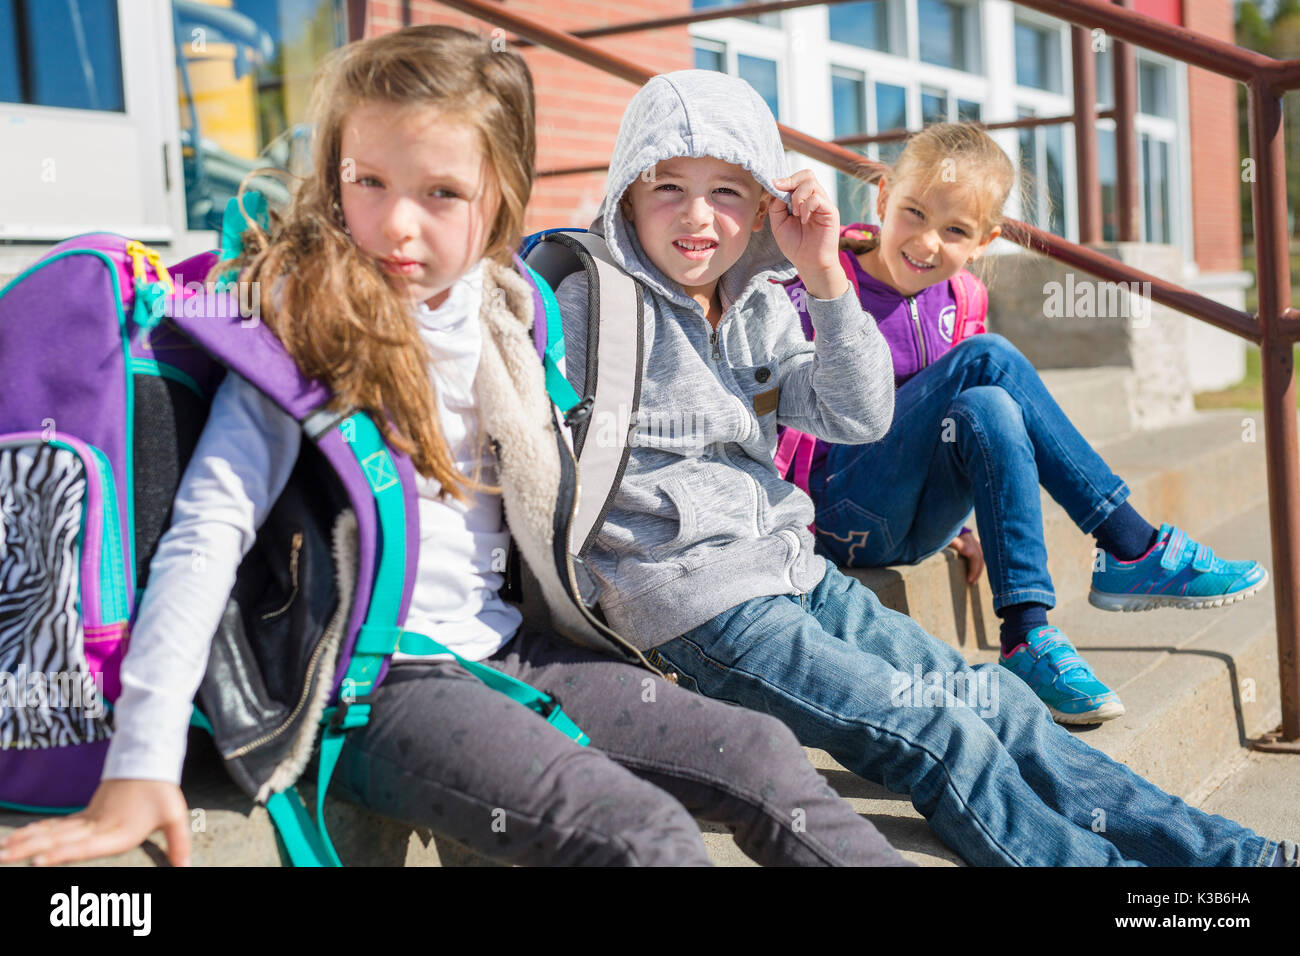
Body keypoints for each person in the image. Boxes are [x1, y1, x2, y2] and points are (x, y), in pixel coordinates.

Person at [0, 28, 907, 869]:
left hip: (512, 647)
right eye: (369, 183)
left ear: (498, 199)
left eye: (441, 193)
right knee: (644, 835)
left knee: (765, 755)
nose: (399, 225)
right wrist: (142, 763)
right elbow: (206, 536)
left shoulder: (516, 317)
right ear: (333, 177)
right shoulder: (298, 333)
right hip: (379, 679)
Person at [553, 69, 1295, 866]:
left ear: (764, 202)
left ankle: (1241, 862)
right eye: (669, 185)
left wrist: (824, 274)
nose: (701, 216)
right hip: (698, 604)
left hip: (794, 570)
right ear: (627, 191)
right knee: (936, 729)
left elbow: (858, 414)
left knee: (997, 701)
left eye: (729, 192)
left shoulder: (762, 297)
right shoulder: (588, 306)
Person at [782, 122, 1268, 724]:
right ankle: (1131, 543)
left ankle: (1026, 636)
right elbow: (777, 408)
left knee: (990, 405)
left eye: (955, 230)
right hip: (835, 513)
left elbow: (948, 428)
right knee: (990, 360)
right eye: (913, 213)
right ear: (882, 199)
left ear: (984, 242)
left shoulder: (962, 300)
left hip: (916, 525)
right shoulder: (822, 282)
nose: (928, 243)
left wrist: (964, 522)